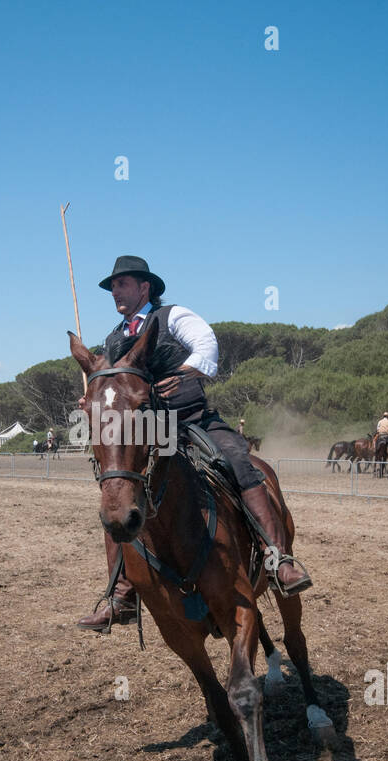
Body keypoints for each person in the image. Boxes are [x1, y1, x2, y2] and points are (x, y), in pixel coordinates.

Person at [76, 255, 310, 632]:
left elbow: (207, 347)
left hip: (190, 419)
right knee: (116, 489)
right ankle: (121, 594)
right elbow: (111, 384)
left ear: (144, 287)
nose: (115, 291)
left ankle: (278, 558)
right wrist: (94, 395)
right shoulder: (113, 338)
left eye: (121, 284)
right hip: (149, 429)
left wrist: (184, 371)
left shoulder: (175, 317)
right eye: (112, 287)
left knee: (237, 459)